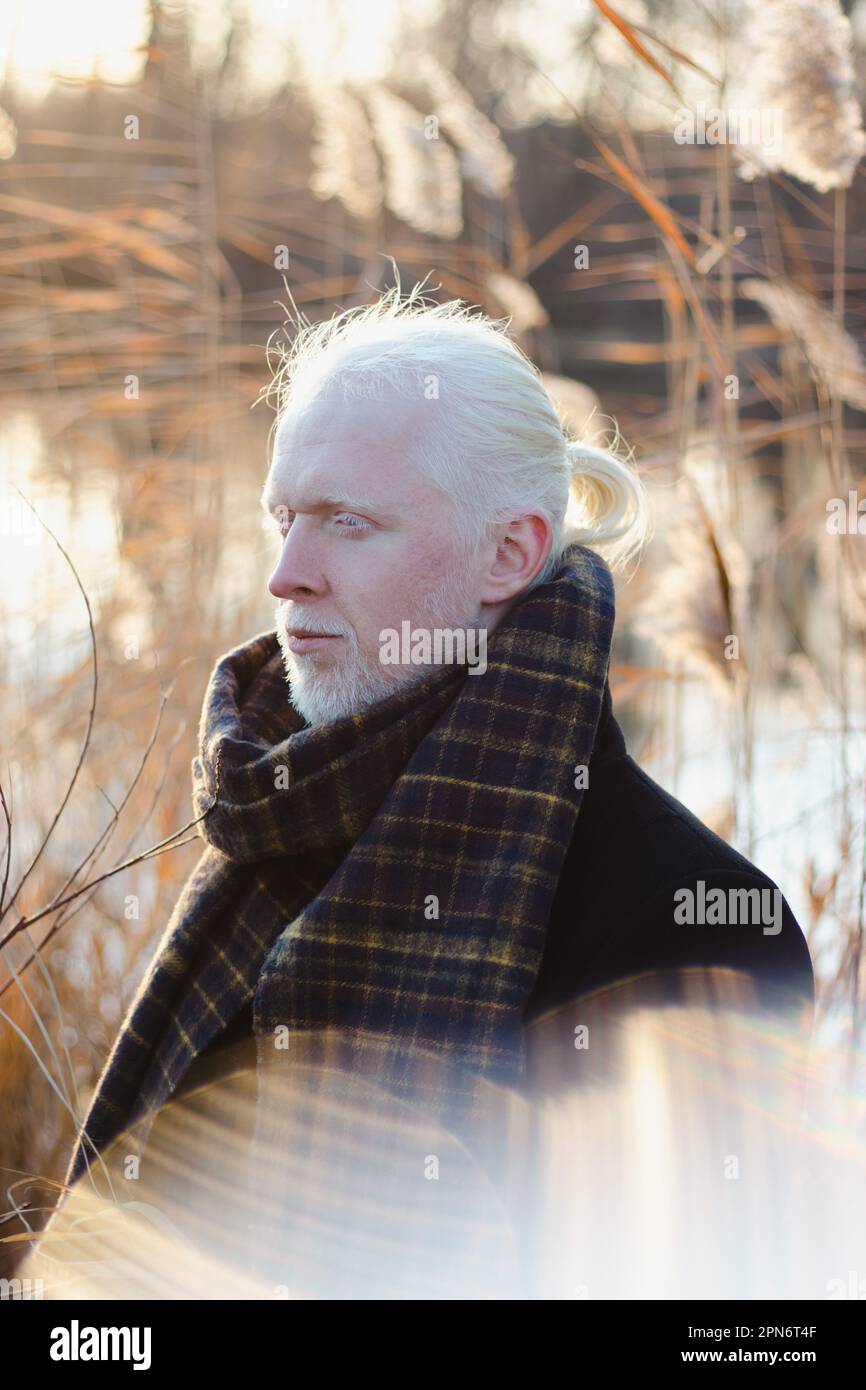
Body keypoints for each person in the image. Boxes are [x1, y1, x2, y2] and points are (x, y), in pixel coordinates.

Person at [57, 283, 813, 1204]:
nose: (286, 575)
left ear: (509, 553)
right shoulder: (277, 811)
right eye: (282, 519)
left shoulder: (696, 925)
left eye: (349, 523)